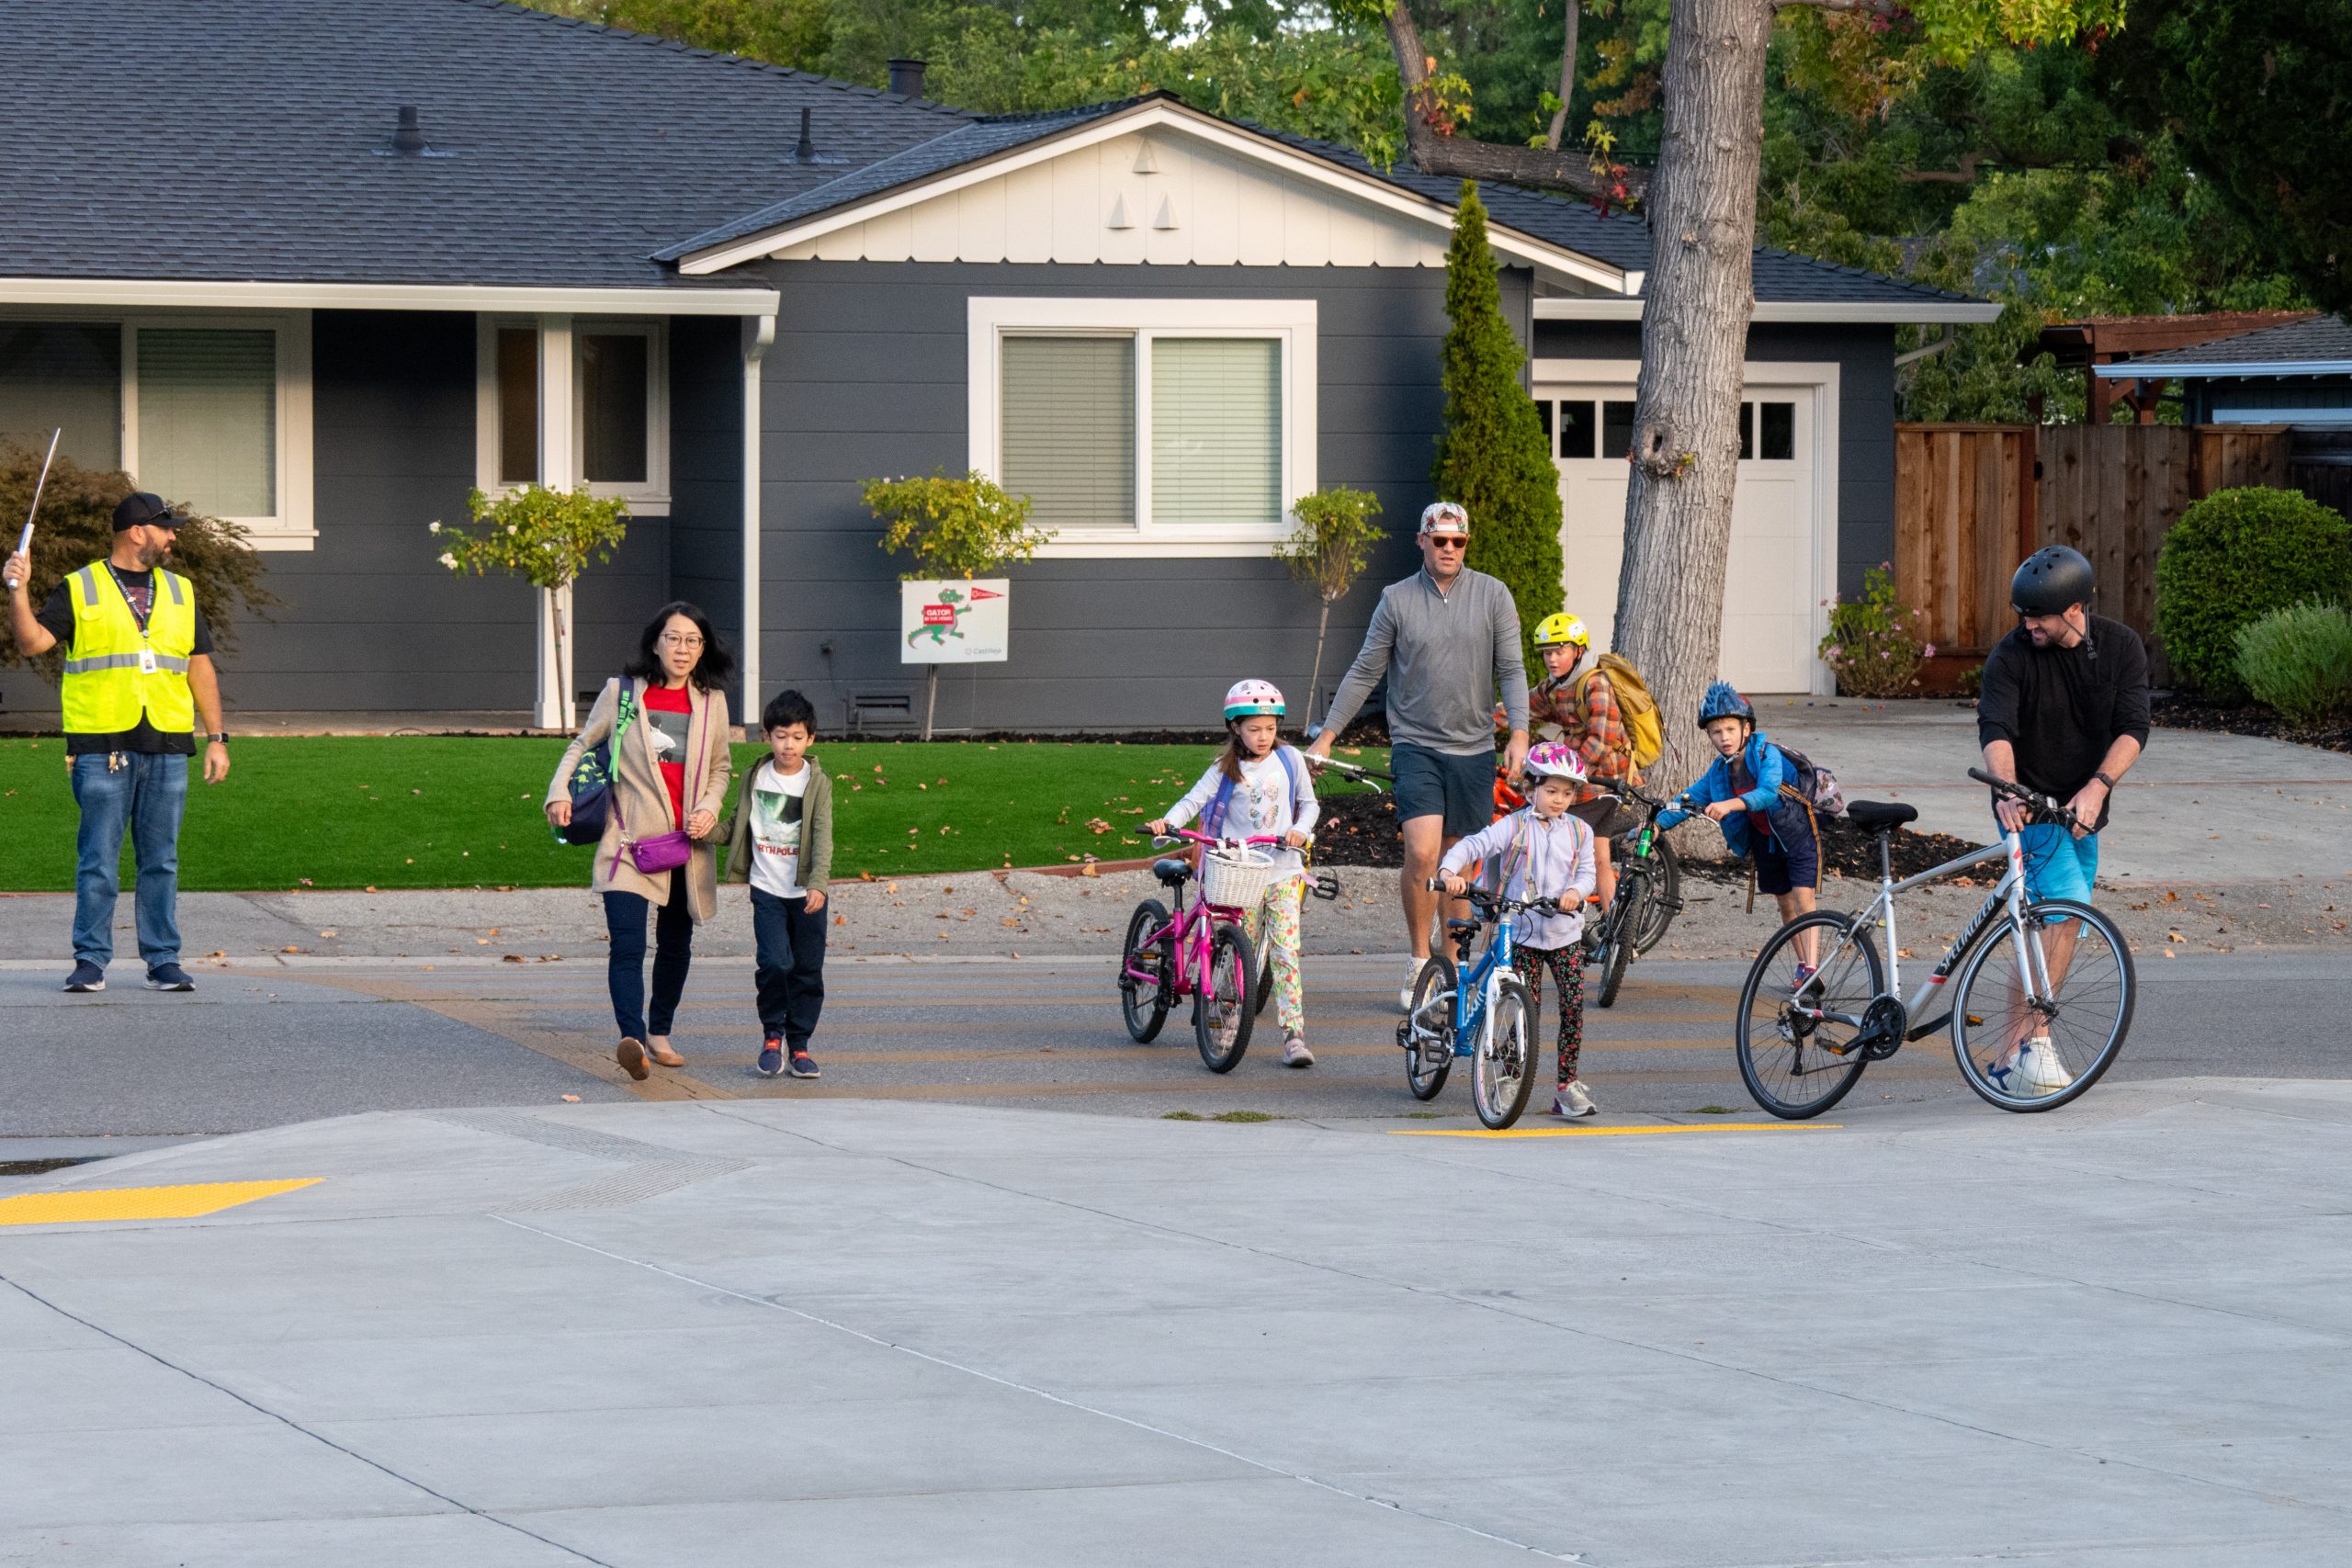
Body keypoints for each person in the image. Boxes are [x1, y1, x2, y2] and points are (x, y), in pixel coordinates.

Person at [1308, 501, 1530, 1010]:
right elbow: (1367, 670)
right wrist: (1328, 736)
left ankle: (1449, 968)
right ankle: (1416, 959)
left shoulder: (1493, 595)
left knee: (1459, 863)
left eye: (1459, 541)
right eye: (1440, 540)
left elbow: (1513, 669)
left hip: (1474, 749)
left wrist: (1519, 733)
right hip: (1416, 745)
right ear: (1422, 541)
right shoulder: (1396, 599)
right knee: (1424, 853)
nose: (1449, 549)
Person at [5, 492, 230, 993]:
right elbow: (32, 643)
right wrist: (17, 591)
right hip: (100, 744)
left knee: (162, 859)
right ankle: (90, 961)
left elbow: (199, 666)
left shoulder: (181, 592)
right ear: (137, 532)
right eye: (166, 528)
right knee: (98, 860)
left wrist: (217, 737)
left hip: (168, 743)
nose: (173, 537)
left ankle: (163, 959)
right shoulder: (79, 587)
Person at [1975, 545, 2149, 1093]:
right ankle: (2035, 1043)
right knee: (2070, 909)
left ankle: (2007, 1058)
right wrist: (2007, 789)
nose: (2028, 625)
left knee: (2045, 930)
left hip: (2082, 810)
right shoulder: (2011, 656)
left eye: (2039, 616)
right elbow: (1995, 730)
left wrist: (2098, 787)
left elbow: (2133, 727)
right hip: (2026, 807)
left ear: (2075, 609)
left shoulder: (2121, 648)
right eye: (2022, 615)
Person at [545, 602, 734, 1082]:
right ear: (656, 642)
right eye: (674, 638)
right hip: (627, 843)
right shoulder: (623, 693)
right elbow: (581, 744)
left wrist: (710, 806)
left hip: (683, 845)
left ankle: (660, 1031)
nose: (683, 648)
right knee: (627, 946)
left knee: (676, 944)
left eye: (693, 640)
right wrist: (558, 790)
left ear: (702, 649)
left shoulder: (712, 702)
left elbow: (720, 766)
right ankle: (633, 1039)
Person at [1149, 680, 1320, 1068]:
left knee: (1285, 954)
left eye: (1271, 728)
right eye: (1255, 729)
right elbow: (1193, 800)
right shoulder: (1224, 769)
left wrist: (1301, 831)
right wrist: (1168, 822)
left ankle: (1293, 1036)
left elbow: (1309, 805)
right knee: (1235, 952)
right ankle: (1224, 1019)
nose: (1264, 737)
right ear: (1235, 728)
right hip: (1241, 874)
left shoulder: (1290, 760)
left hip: (1283, 871)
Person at [1438, 742, 1600, 1118]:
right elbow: (1474, 845)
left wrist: (1576, 892)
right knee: (1522, 1010)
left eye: (1567, 792)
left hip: (1565, 934)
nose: (1560, 799)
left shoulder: (1580, 832)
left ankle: (1566, 1086)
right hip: (1522, 933)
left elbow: (1588, 872)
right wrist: (1449, 872)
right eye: (1551, 791)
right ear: (1531, 791)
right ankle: (1511, 1076)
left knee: (1574, 1007)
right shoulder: (1512, 826)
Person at [1659, 682, 1824, 977]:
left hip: (1797, 835)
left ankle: (1813, 970)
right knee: (1786, 906)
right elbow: (1688, 800)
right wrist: (1654, 824)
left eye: (1730, 730)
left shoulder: (1767, 755)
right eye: (1716, 732)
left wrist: (1730, 805)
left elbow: (1768, 792)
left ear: (1746, 729)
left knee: (1803, 901)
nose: (1724, 738)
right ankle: (1803, 966)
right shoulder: (1719, 772)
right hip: (1765, 843)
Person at [724, 689, 835, 1080]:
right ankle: (773, 1035)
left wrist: (818, 884)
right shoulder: (755, 776)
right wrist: (703, 831)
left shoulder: (817, 783)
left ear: (811, 739)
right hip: (767, 889)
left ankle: (800, 1044)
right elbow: (737, 825)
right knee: (774, 962)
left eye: (797, 737)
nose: (789, 745)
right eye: (781, 735)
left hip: (806, 893)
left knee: (807, 970)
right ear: (767, 736)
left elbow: (823, 835)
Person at [1525, 611, 1634, 915]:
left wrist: (1567, 782)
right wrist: (1476, 723)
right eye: (1547, 652)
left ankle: (1562, 922)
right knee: (1599, 856)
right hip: (1583, 782)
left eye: (1560, 651)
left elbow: (1600, 740)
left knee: (1559, 839)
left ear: (1578, 651)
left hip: (1603, 781)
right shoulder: (1554, 686)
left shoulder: (1595, 683)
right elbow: (1521, 709)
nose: (1552, 659)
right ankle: (1615, 927)